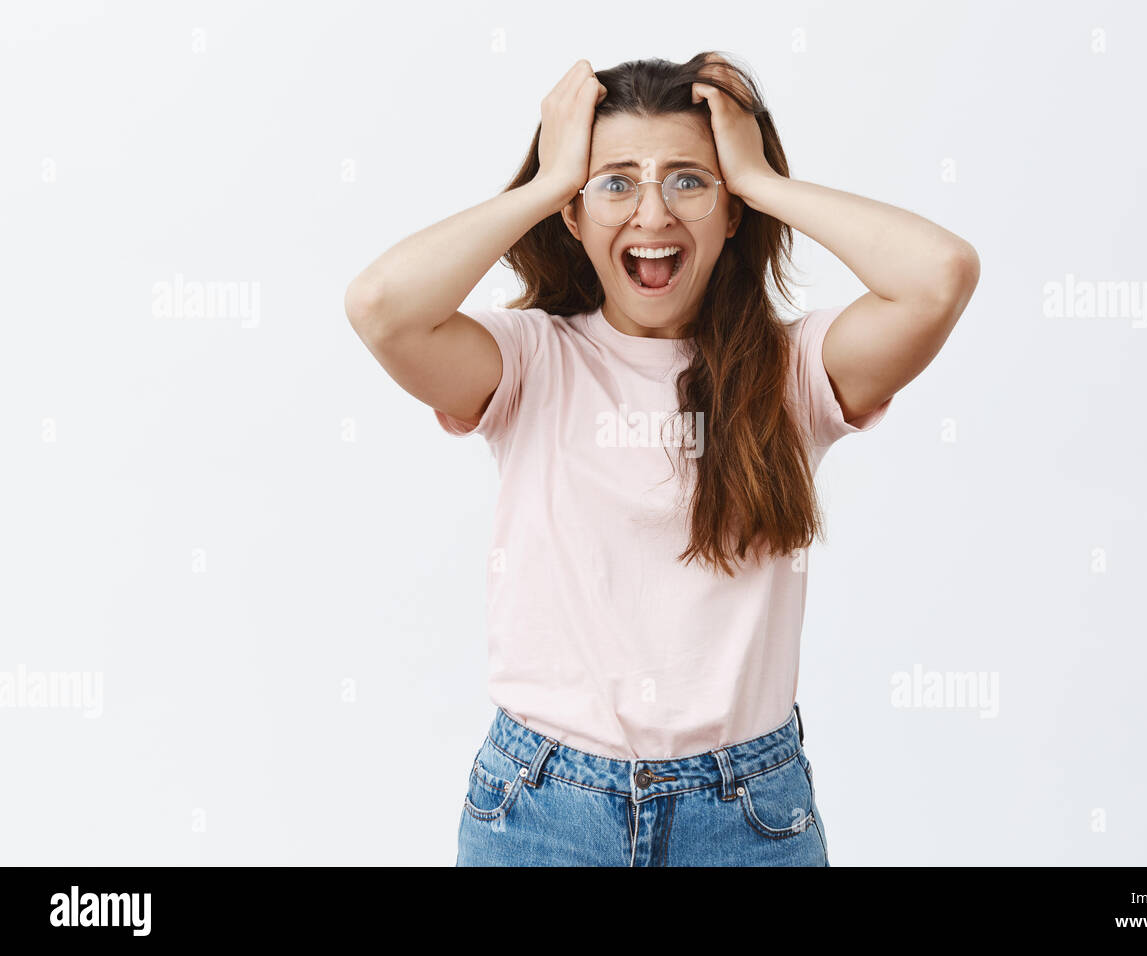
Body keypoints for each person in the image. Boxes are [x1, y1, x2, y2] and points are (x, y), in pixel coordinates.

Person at [344, 52, 979, 866]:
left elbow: (941, 276)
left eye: (689, 180)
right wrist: (546, 182)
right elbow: (380, 308)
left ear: (732, 211)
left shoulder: (793, 369)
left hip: (747, 815)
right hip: (541, 807)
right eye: (614, 183)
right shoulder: (530, 360)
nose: (652, 213)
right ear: (574, 216)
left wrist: (758, 178)